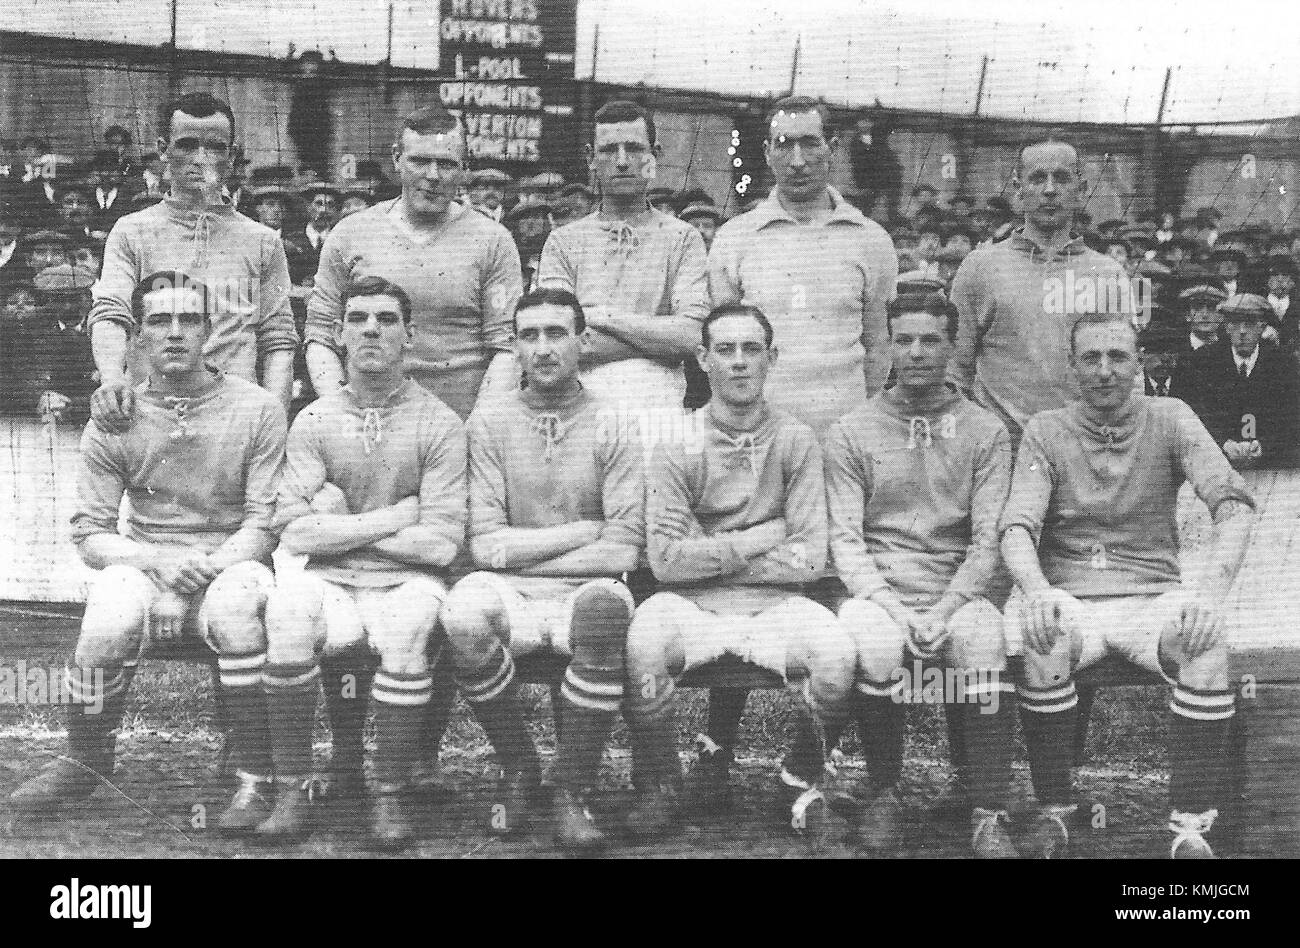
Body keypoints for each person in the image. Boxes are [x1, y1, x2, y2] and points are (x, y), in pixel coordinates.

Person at [7, 270, 286, 832]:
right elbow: (90, 533)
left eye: (190, 320)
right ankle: (84, 758)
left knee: (235, 607)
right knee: (110, 607)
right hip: (152, 558)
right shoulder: (117, 413)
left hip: (233, 561)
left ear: (211, 330)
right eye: (160, 321)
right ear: (135, 336)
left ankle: (254, 777)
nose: (175, 333)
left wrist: (211, 564)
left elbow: (265, 523)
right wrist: (156, 560)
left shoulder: (256, 407)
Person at [1000, 312, 1255, 858]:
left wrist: (1209, 594)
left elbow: (1234, 505)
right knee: (1039, 635)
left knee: (1206, 641)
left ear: (1139, 362)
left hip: (1151, 599)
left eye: (1118, 356)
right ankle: (1056, 813)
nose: (1105, 370)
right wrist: (1036, 589)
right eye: (1090, 357)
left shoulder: (1172, 417)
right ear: (1072, 367)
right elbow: (1018, 526)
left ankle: (1189, 828)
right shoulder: (1047, 429)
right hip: (1071, 597)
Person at [622, 304, 855, 845]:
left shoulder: (796, 439)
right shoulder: (676, 440)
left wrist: (710, 550)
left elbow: (810, 559)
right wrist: (763, 535)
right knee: (644, 647)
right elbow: (666, 562)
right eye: (724, 349)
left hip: (773, 607)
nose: (739, 362)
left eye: (752, 349)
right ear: (702, 359)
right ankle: (661, 782)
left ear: (771, 358)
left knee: (838, 658)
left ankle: (798, 778)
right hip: (692, 606)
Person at [260, 276, 466, 848]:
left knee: (405, 630)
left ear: (410, 335)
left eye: (386, 319)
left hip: (408, 583)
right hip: (330, 580)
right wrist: (395, 517)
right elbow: (295, 530)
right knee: (288, 613)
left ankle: (390, 790)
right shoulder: (315, 420)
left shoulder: (440, 423)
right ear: (341, 335)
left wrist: (340, 527)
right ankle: (290, 787)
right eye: (357, 318)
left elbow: (442, 546)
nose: (371, 329)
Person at [440, 288, 644, 852]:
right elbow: (486, 547)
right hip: (513, 589)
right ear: (514, 346)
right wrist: (581, 532)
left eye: (557, 333)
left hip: (589, 586)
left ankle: (570, 790)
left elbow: (624, 549)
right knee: (461, 614)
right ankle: (522, 767)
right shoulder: (489, 421)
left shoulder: (616, 420)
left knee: (604, 612)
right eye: (529, 336)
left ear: (583, 341)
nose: (544, 348)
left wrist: (535, 547)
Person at [824, 292, 1016, 857]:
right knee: (879, 645)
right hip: (882, 595)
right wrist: (897, 608)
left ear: (952, 346)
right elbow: (846, 542)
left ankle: (987, 811)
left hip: (955, 594)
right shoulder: (853, 429)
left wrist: (945, 609)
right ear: (886, 346)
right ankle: (884, 793)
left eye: (930, 339)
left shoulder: (985, 430)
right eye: (903, 340)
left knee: (983, 638)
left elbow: (987, 543)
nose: (916, 352)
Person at [86, 92, 298, 433]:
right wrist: (112, 379)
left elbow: (279, 340)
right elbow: (111, 312)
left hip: (234, 422)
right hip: (150, 417)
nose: (201, 158)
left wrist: (273, 417)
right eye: (187, 144)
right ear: (163, 149)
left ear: (231, 156)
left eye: (215, 147)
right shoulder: (131, 231)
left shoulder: (263, 241)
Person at [305, 104, 521, 422]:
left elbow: (507, 347)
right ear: (396, 159)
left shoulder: (493, 241)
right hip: (368, 424)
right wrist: (342, 413)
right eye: (419, 161)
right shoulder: (351, 233)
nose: (432, 176)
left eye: (445, 164)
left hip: (461, 425)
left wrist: (478, 425)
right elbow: (321, 335)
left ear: (464, 166)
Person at [709, 95, 898, 438]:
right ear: (767, 152)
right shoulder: (734, 239)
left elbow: (878, 347)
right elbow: (723, 349)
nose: (797, 161)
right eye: (784, 145)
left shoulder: (871, 240)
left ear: (833, 148)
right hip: (758, 440)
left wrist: (853, 424)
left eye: (810, 143)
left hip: (844, 440)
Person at [538, 101, 708, 433]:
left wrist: (601, 316)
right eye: (608, 150)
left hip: (658, 415)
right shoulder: (563, 242)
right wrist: (659, 339)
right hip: (578, 415)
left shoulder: (683, 238)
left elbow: (691, 336)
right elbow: (558, 342)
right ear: (590, 158)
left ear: (653, 155)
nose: (621, 161)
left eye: (633, 148)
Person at [950, 138, 1132, 447]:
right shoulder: (981, 266)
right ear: (1019, 189)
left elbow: (1125, 371)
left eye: (1061, 178)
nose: (1049, 190)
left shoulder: (1107, 273)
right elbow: (955, 370)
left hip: (1082, 450)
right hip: (1000, 451)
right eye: (1037, 179)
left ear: (1081, 189)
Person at [1178, 293, 1300, 470]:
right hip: (1215, 465)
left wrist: (1265, 444)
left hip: (1273, 466)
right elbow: (1192, 413)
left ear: (1262, 327)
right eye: (1235, 324)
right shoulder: (1202, 362)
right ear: (1226, 327)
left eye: (1249, 324)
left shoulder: (1283, 363)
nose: (1242, 331)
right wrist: (1222, 443)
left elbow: (1293, 416)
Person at [287, 181, 340, 287]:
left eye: (330, 205)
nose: (324, 210)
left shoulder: (338, 240)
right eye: (319, 204)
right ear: (308, 207)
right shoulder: (291, 239)